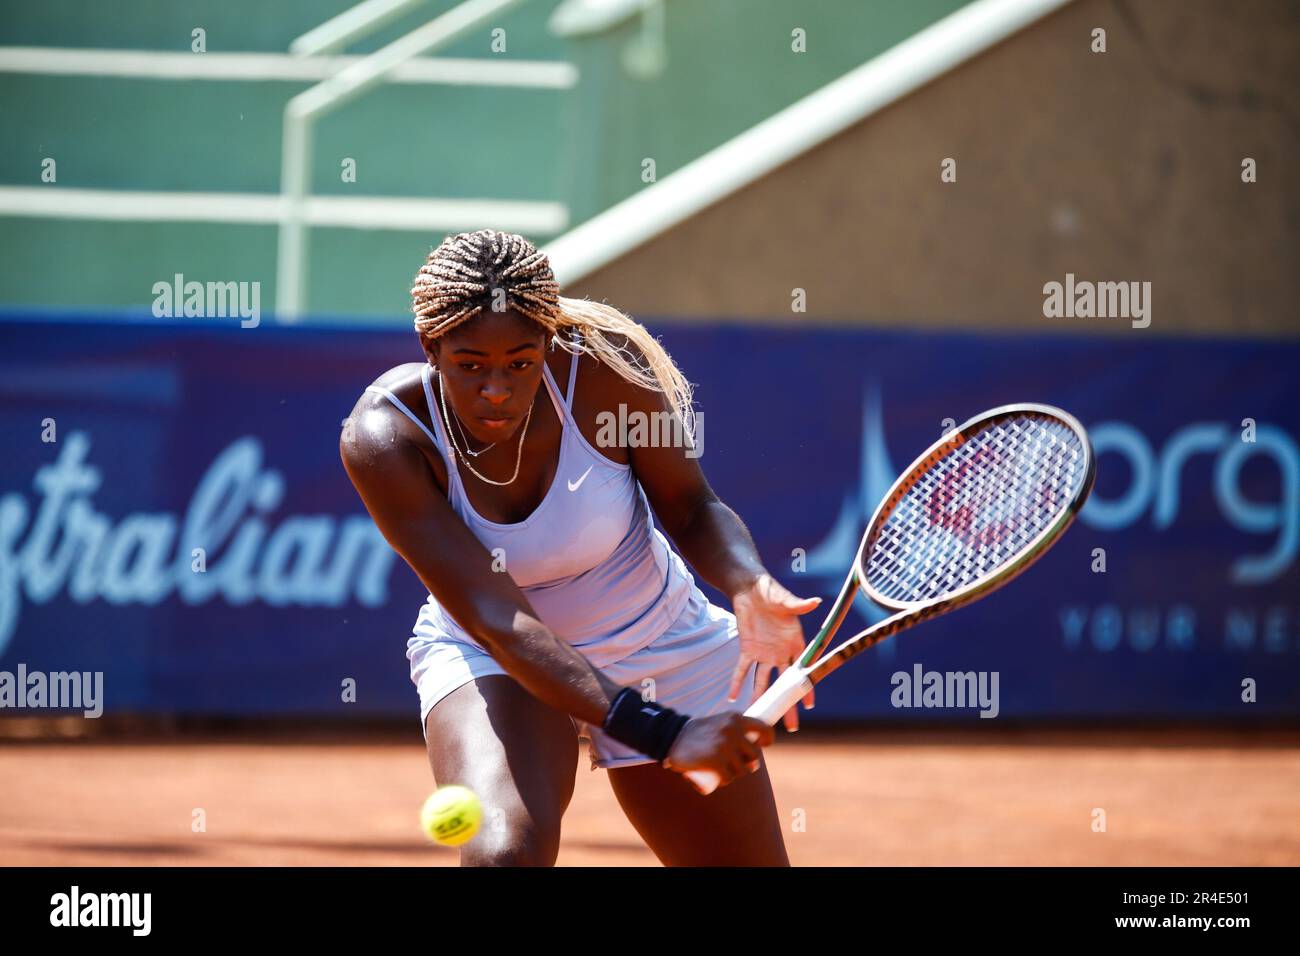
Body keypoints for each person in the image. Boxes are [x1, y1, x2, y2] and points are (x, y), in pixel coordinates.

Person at [341, 229, 821, 866]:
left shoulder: (606, 373)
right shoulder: (385, 437)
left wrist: (747, 582)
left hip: (660, 639)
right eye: (470, 365)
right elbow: (499, 620)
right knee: (502, 853)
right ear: (430, 347)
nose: (496, 389)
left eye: (520, 362)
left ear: (546, 343)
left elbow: (691, 505)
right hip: (499, 658)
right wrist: (665, 735)